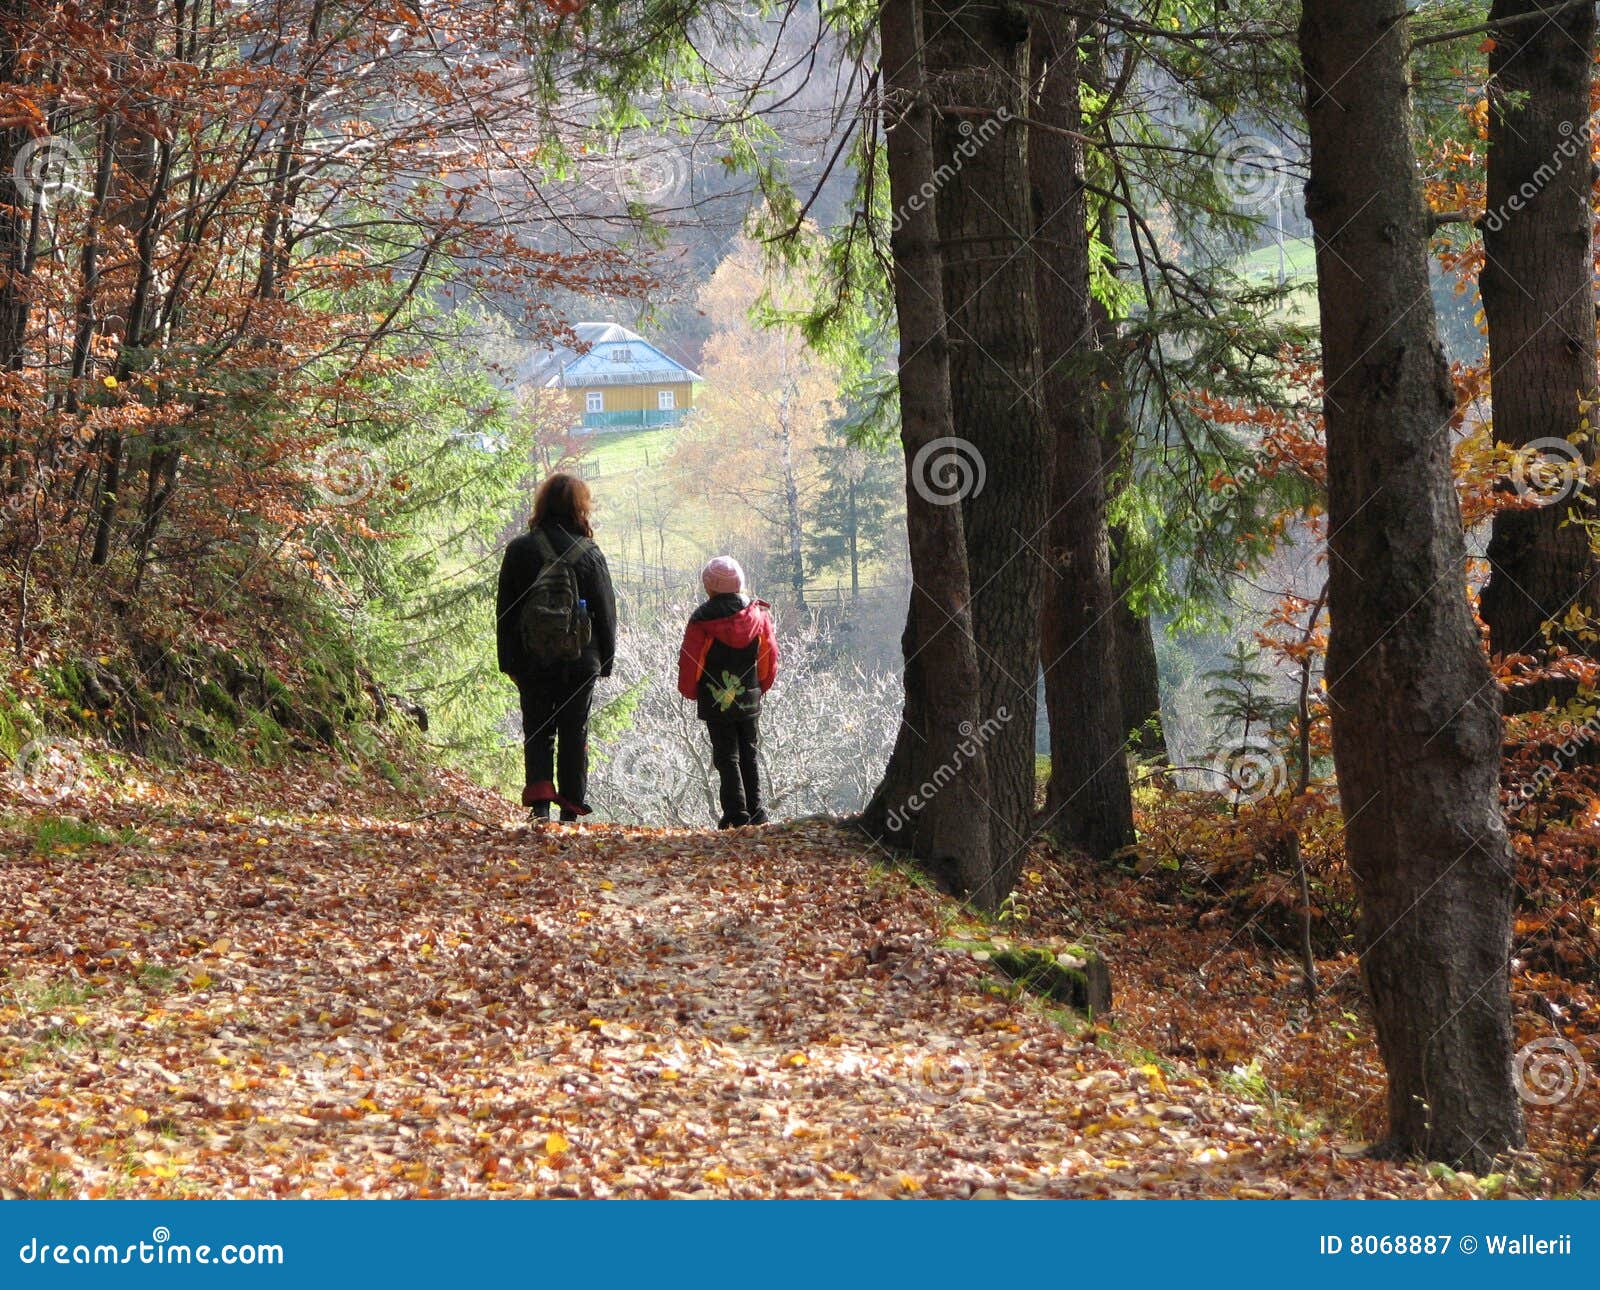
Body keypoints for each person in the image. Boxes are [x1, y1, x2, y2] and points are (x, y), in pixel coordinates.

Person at [497, 474, 617, 823]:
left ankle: (539, 806)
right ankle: (571, 808)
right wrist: (604, 660)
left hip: (532, 656)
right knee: (573, 728)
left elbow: (507, 610)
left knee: (537, 728)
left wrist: (509, 660)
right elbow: (606, 610)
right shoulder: (589, 552)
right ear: (580, 507)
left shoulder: (520, 549)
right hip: (580, 658)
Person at [677, 556, 778, 828]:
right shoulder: (758, 615)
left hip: (716, 699)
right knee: (749, 751)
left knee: (725, 756)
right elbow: (769, 656)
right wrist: (761, 686)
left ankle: (735, 812)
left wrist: (690, 690)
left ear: (708, 587)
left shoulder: (701, 620)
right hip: (749, 697)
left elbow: (692, 661)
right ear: (740, 584)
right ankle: (757, 810)